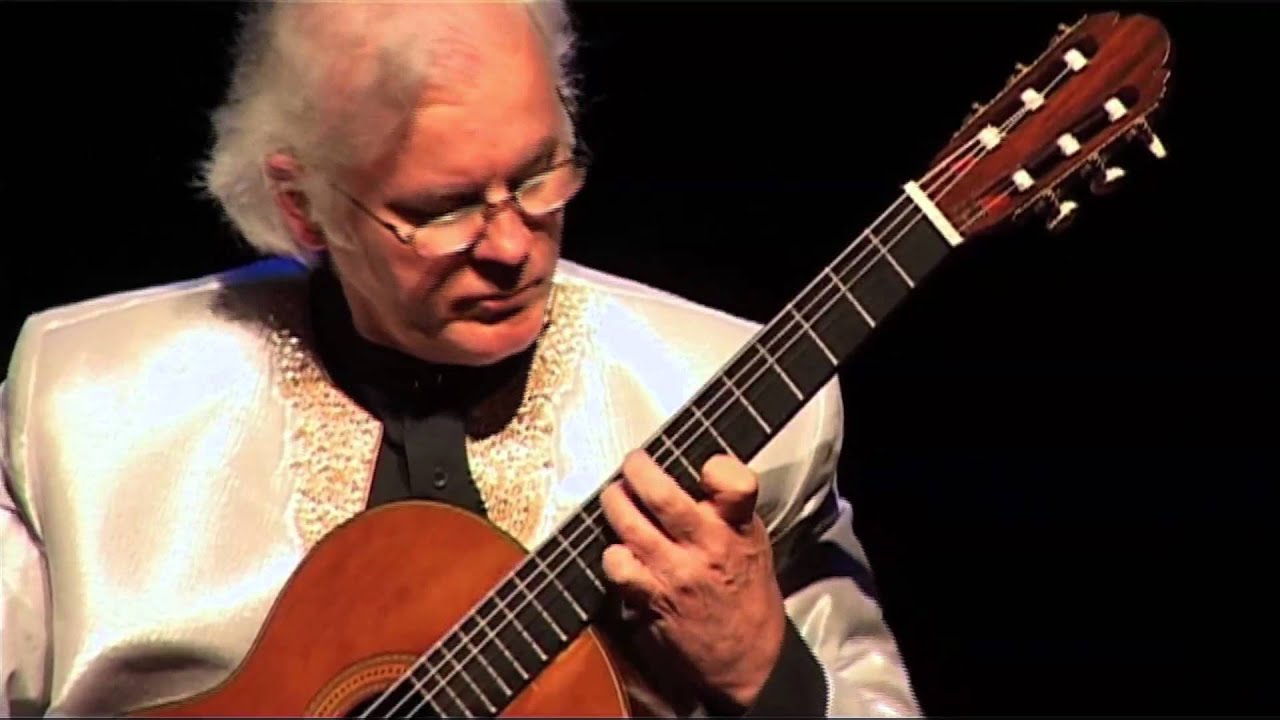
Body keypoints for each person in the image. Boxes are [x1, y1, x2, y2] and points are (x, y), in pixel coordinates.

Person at [0, 1, 919, 716]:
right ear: (303, 206)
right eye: (442, 210)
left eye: (538, 174)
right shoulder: (85, 404)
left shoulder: (744, 414)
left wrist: (770, 675)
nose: (513, 244)